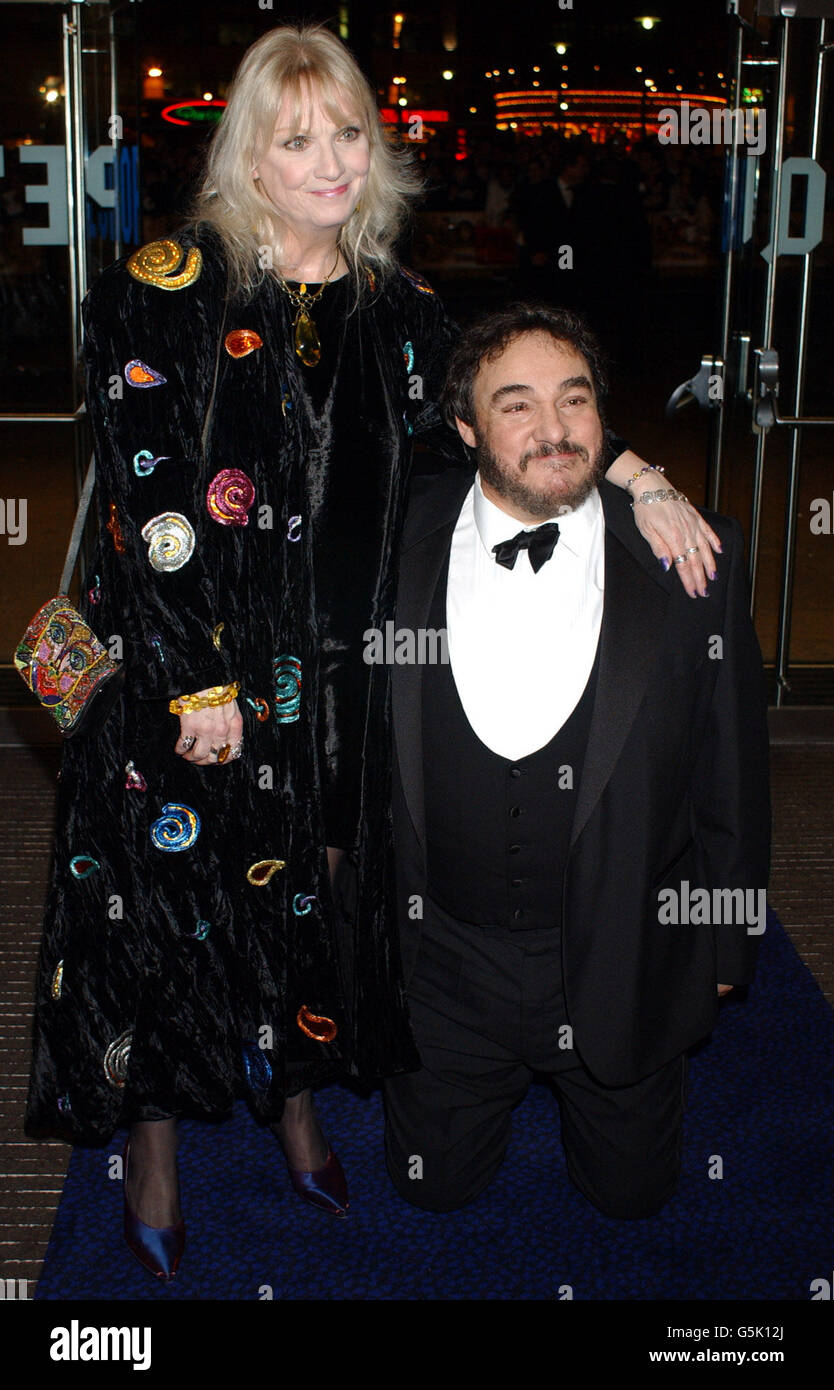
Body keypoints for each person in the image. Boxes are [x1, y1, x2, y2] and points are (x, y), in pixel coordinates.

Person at [24, 25, 717, 1281]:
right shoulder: (166, 285)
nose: (329, 160)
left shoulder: (403, 313)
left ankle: (293, 1103)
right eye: (296, 138)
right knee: (162, 906)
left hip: (331, 689)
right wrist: (198, 681)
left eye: (347, 132)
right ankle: (156, 1141)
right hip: (185, 672)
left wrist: (638, 472)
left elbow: (507, 412)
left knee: (305, 903)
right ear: (250, 152)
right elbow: (151, 498)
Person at [384, 302, 770, 1218]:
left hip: (626, 951)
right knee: (431, 1194)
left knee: (633, 1201)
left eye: (575, 399)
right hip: (445, 955)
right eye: (516, 406)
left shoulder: (693, 560)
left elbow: (734, 772)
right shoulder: (393, 544)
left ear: (605, 414)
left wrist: (728, 937)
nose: (554, 429)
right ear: (466, 429)